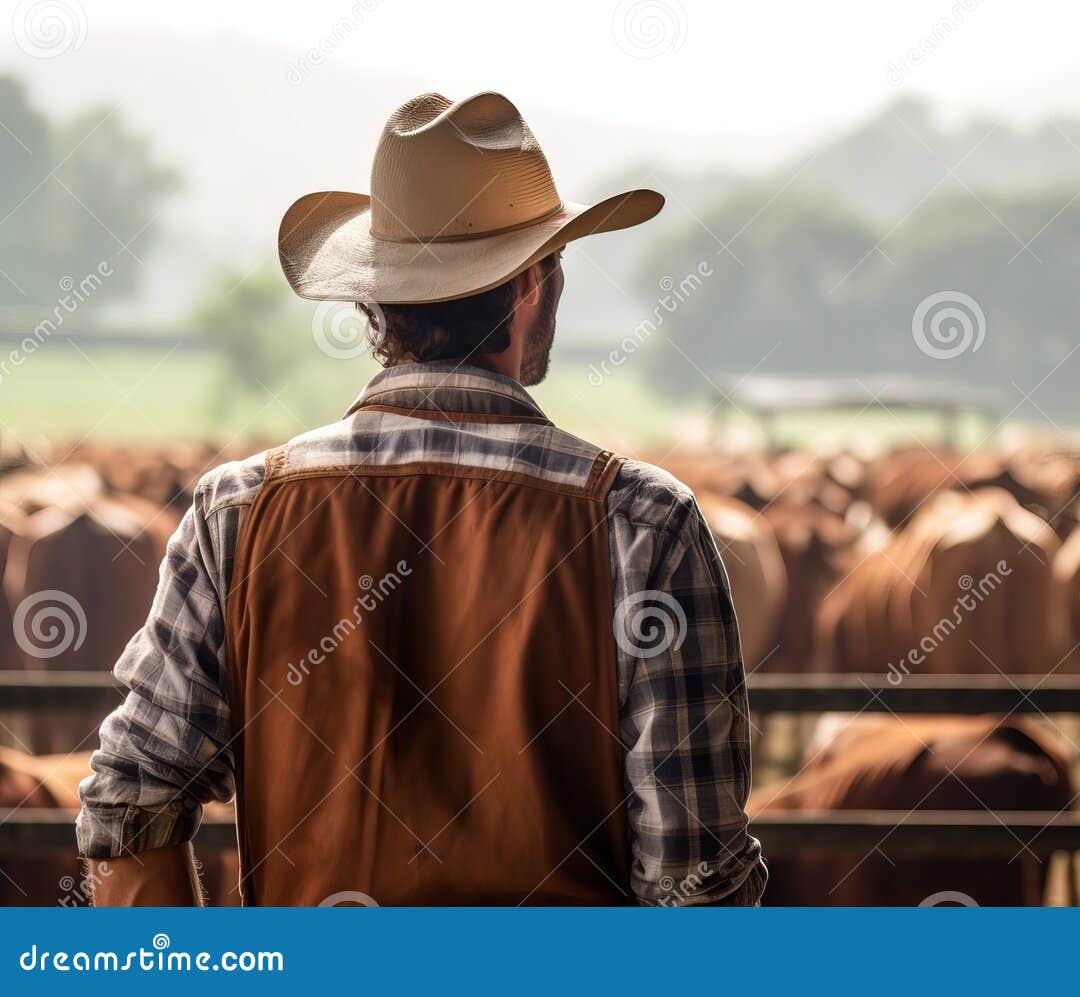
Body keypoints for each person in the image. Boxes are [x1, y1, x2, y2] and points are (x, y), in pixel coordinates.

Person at [77, 91, 766, 906]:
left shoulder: (237, 515)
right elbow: (695, 883)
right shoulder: (646, 522)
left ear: (377, 298)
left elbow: (131, 802)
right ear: (533, 287)